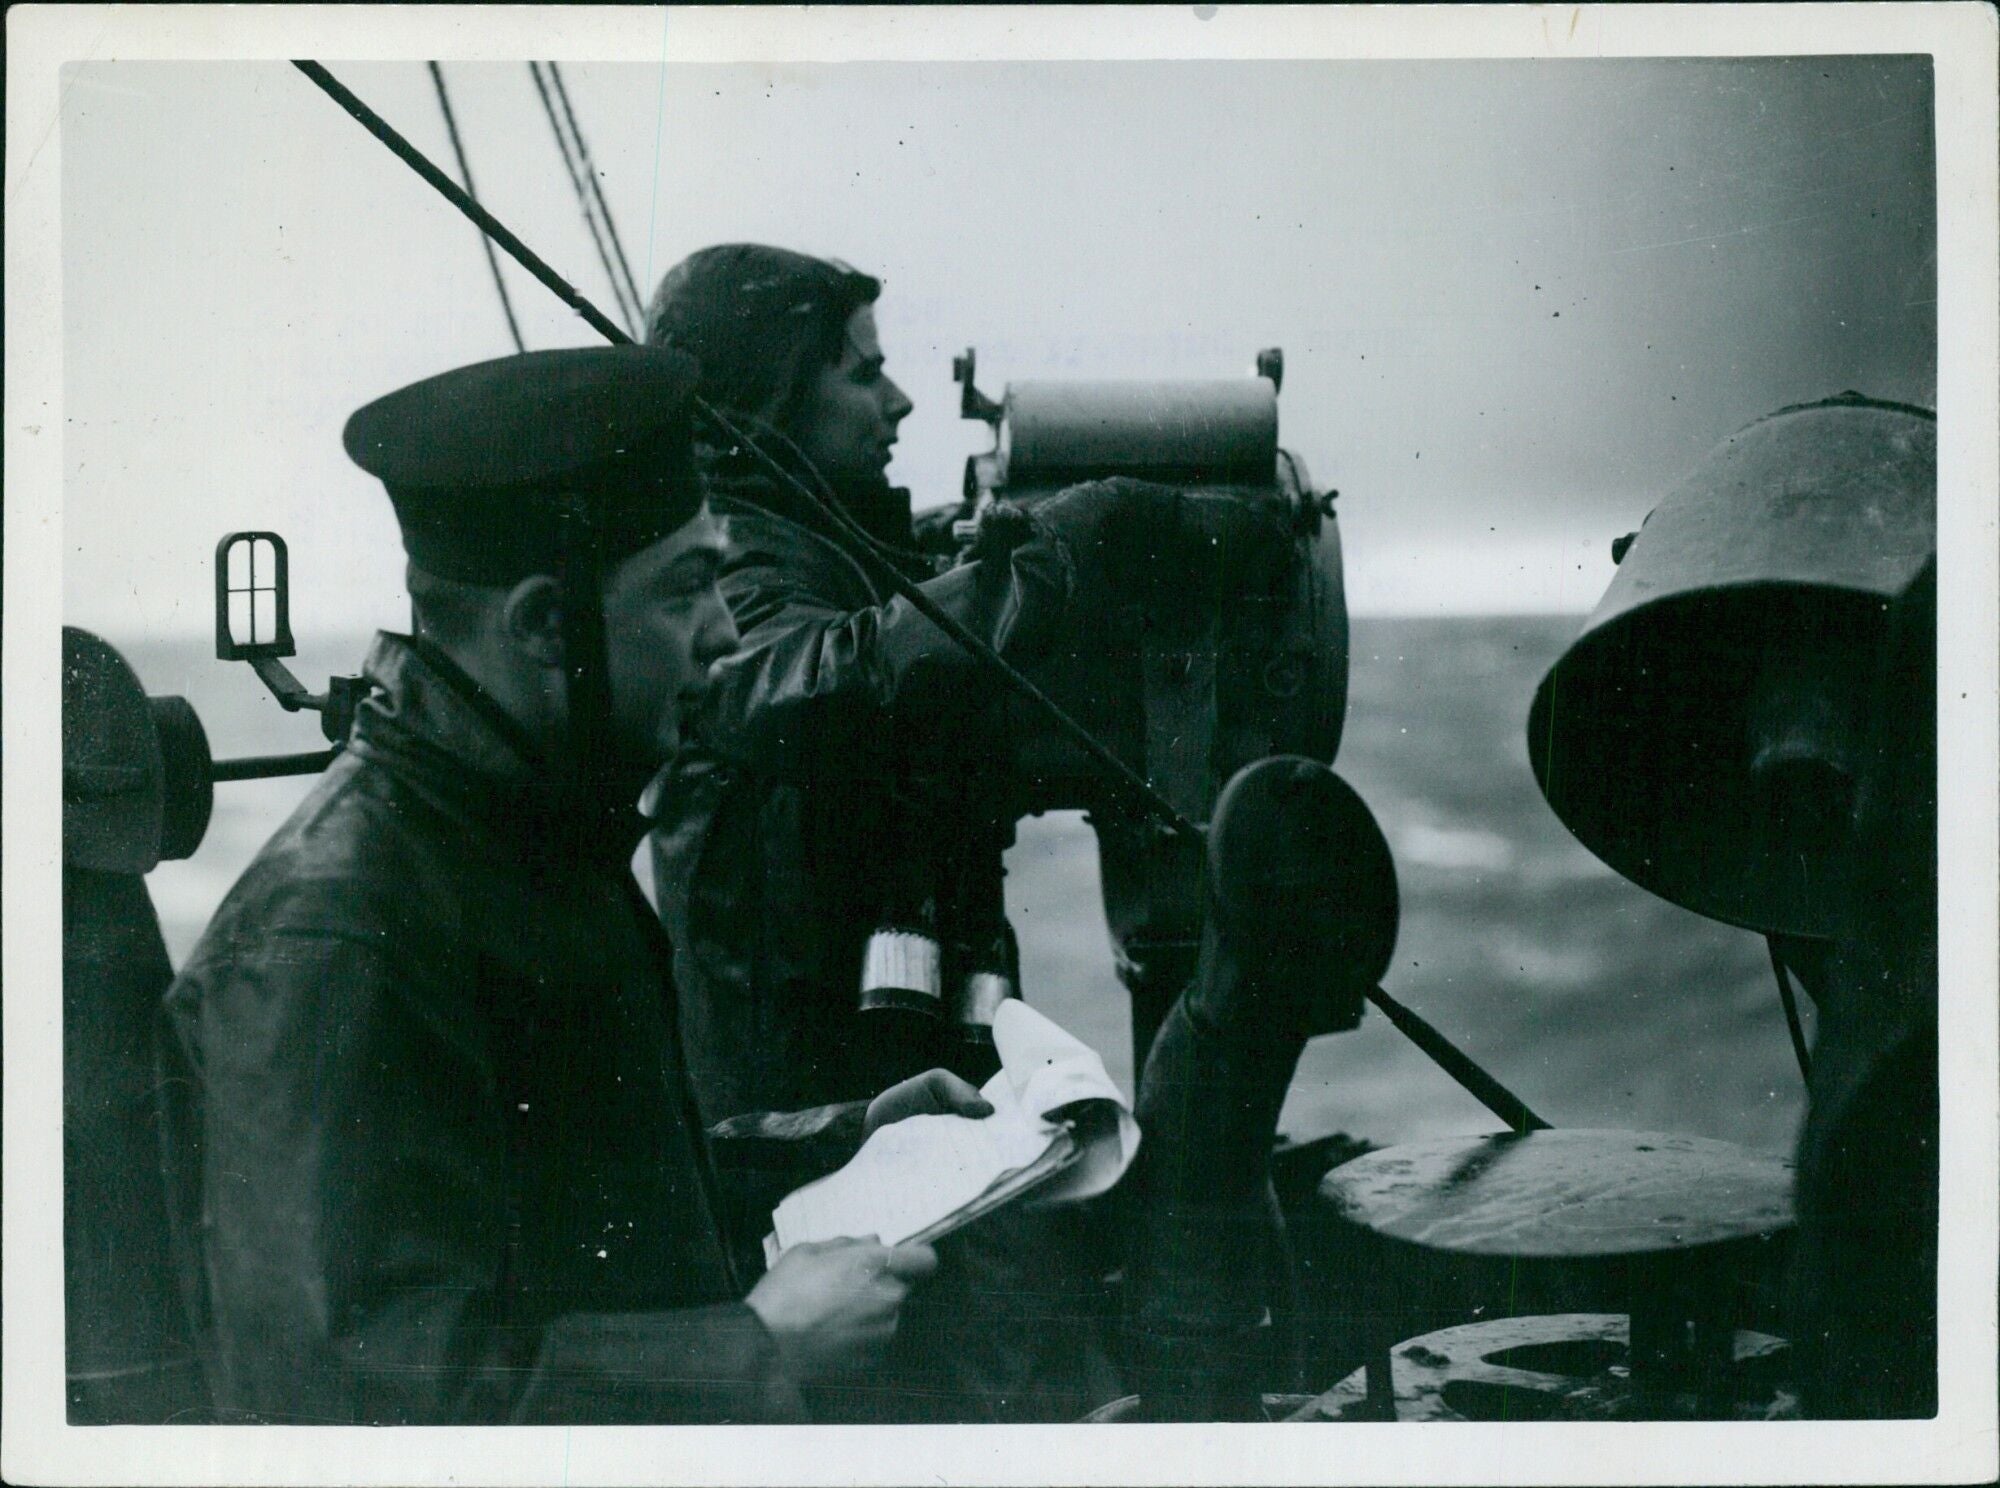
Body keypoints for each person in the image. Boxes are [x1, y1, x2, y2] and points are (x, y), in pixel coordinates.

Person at [158, 346, 995, 1425]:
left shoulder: (529, 835)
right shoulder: (333, 933)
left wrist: (846, 1137)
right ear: (546, 628)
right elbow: (343, 1395)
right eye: (688, 588)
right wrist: (755, 1353)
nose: (727, 632)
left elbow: (572, 1187)